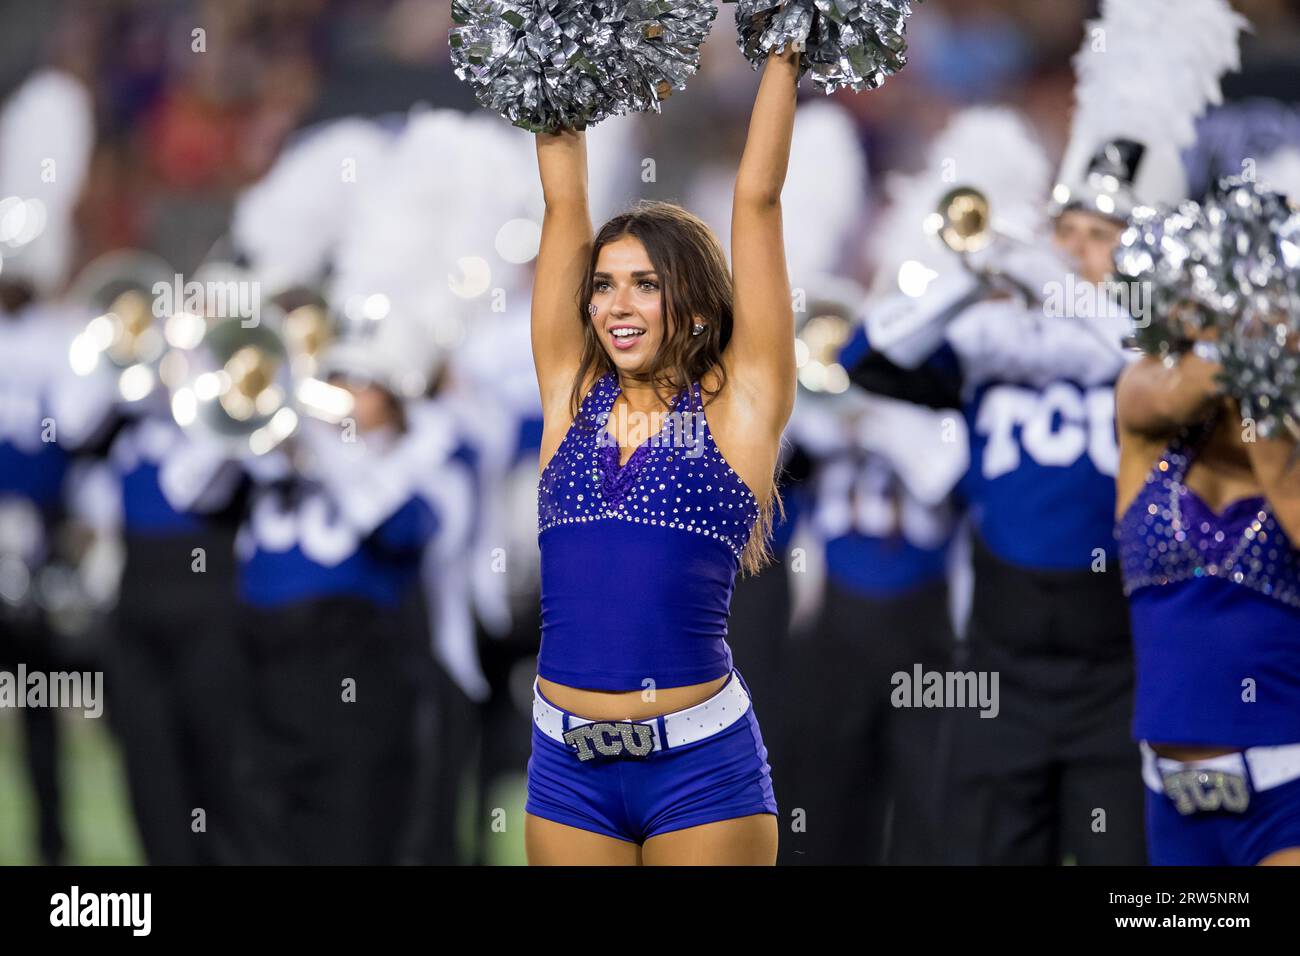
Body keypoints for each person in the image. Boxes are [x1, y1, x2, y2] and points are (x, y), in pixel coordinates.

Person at [523, 48, 801, 866]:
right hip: (565, 768)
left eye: (645, 284)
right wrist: (547, 54)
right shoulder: (569, 397)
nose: (617, 304)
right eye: (605, 285)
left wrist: (786, 50)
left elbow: (759, 199)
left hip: (700, 771)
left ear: (691, 303)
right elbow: (562, 197)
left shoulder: (741, 407)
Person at [1115, 341, 1300, 866]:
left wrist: (1269, 389)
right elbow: (1161, 395)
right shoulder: (1147, 410)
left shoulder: (1284, 436)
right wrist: (1254, 335)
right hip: (1170, 795)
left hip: (1287, 789)